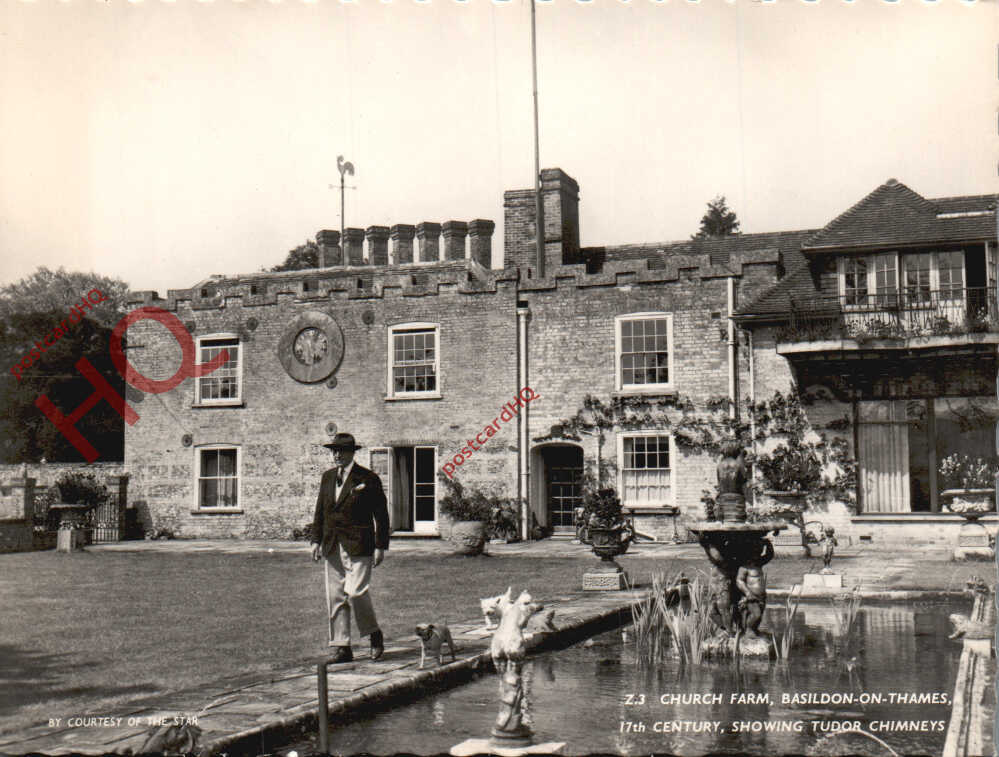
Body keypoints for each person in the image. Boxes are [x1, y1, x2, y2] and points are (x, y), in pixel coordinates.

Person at [310, 432, 390, 663]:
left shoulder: (368, 478)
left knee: (356, 592)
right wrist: (316, 540)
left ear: (351, 453)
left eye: (340, 451)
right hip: (332, 544)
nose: (336, 455)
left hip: (360, 544)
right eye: (333, 451)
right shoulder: (327, 478)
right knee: (335, 596)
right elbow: (320, 511)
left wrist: (380, 545)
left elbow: (381, 515)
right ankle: (342, 646)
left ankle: (374, 635)